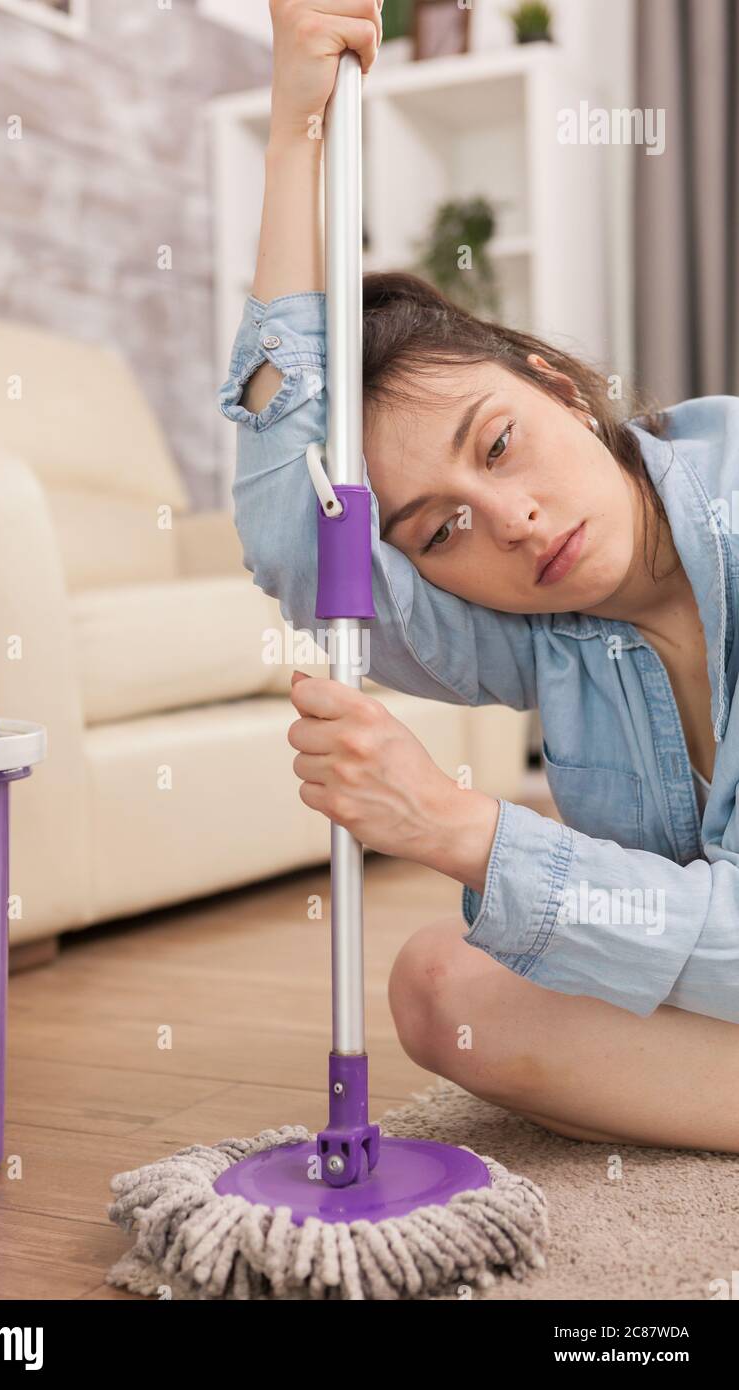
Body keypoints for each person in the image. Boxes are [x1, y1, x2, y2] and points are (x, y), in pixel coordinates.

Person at [217, 0, 739, 1151]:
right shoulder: (542, 621)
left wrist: (459, 826)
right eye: (438, 530)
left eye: (496, 444)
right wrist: (295, 134)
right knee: (442, 992)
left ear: (556, 381)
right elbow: (297, 540)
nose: (507, 522)